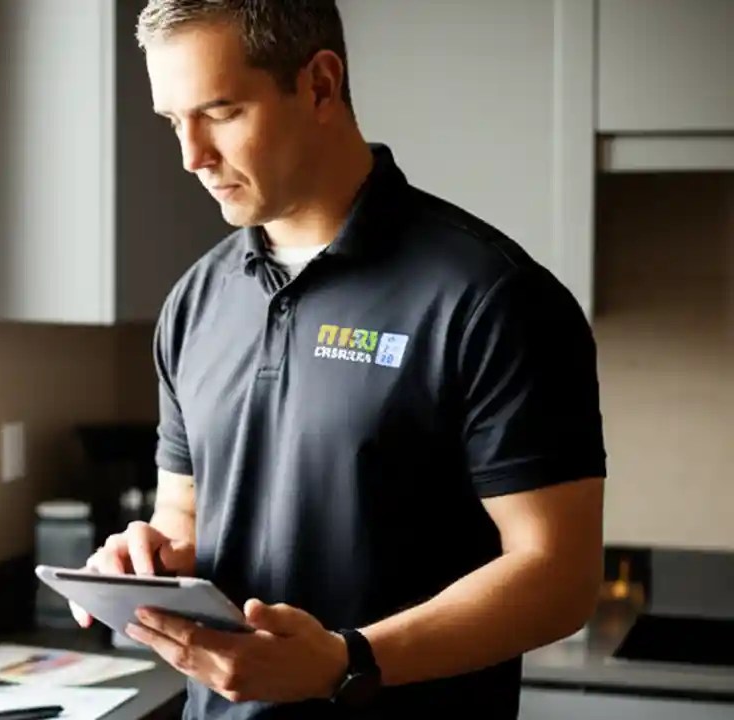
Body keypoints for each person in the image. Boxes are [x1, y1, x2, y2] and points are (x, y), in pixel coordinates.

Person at [69, 1, 608, 718]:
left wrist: (348, 663)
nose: (191, 156)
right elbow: (186, 515)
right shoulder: (194, 301)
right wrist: (148, 560)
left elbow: (559, 576)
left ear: (320, 85)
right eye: (174, 121)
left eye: (221, 112)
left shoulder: (491, 297)